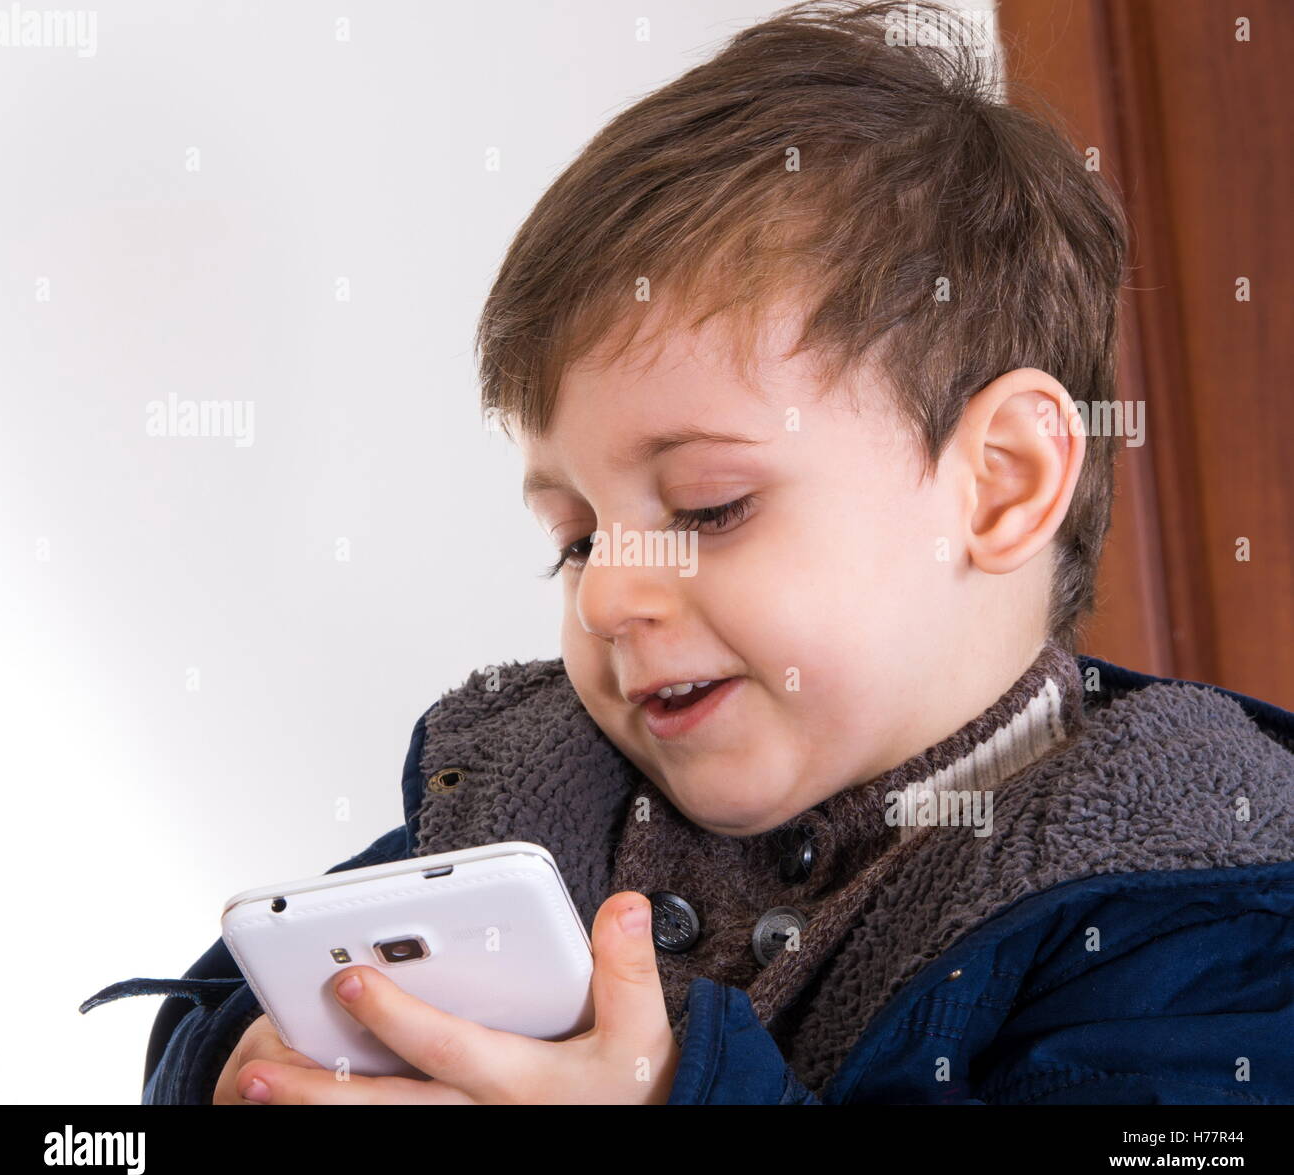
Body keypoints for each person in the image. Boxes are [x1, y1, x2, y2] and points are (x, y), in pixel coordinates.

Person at [81, 0, 1294, 1104]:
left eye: (710, 507)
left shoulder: (1193, 904)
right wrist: (238, 1066)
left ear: (1002, 484)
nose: (609, 592)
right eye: (575, 538)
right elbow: (227, 1002)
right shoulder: (525, 807)